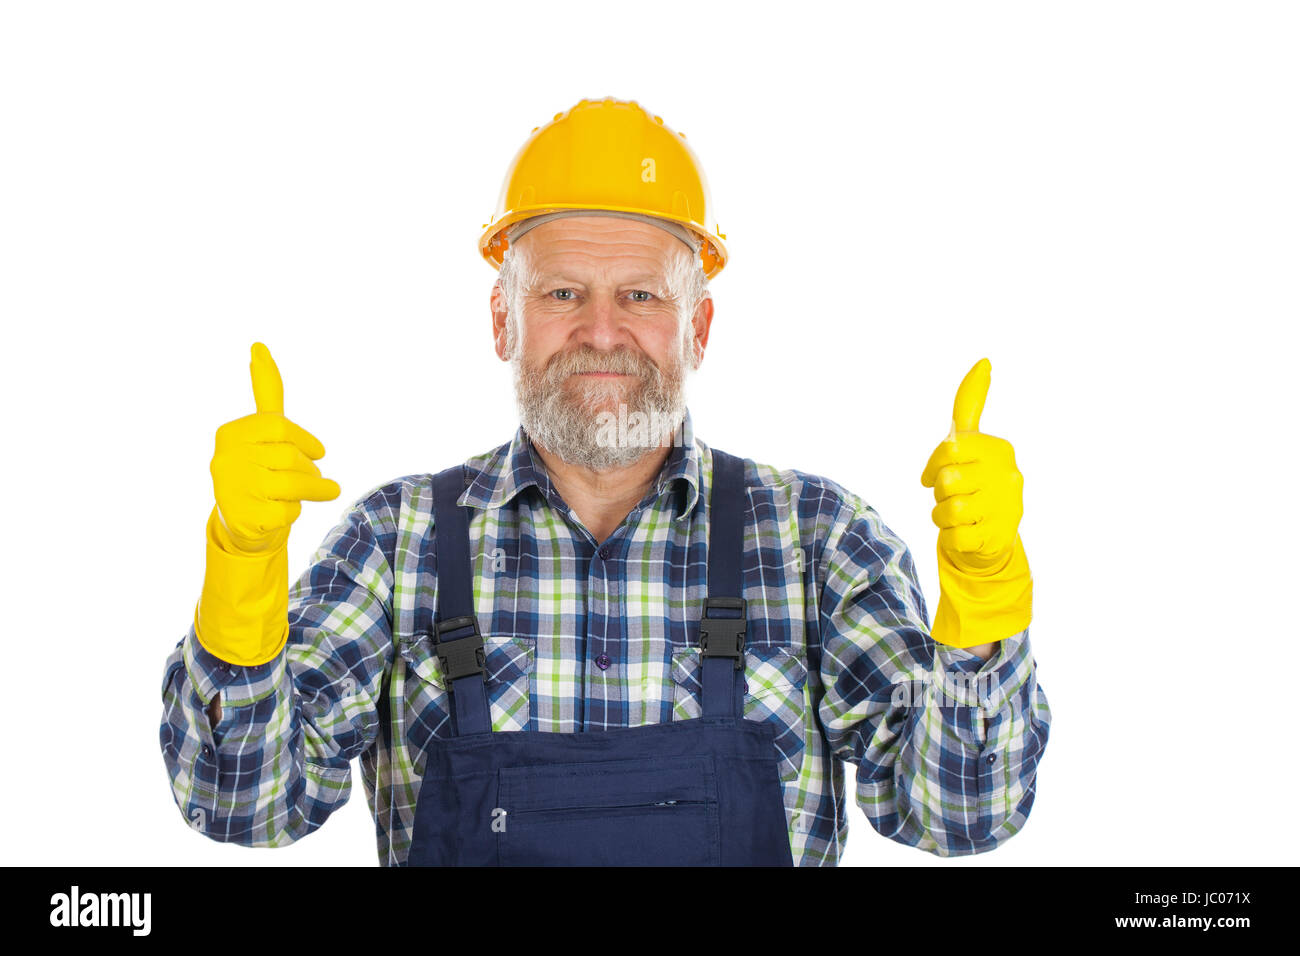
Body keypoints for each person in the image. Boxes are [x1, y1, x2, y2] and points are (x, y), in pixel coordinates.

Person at [159, 96, 1051, 866]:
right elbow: (246, 806)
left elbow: (959, 816)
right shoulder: (398, 542)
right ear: (501, 319)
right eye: (560, 295)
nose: (600, 331)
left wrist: (984, 598)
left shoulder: (818, 538)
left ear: (699, 326)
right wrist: (242, 570)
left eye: (641, 296)